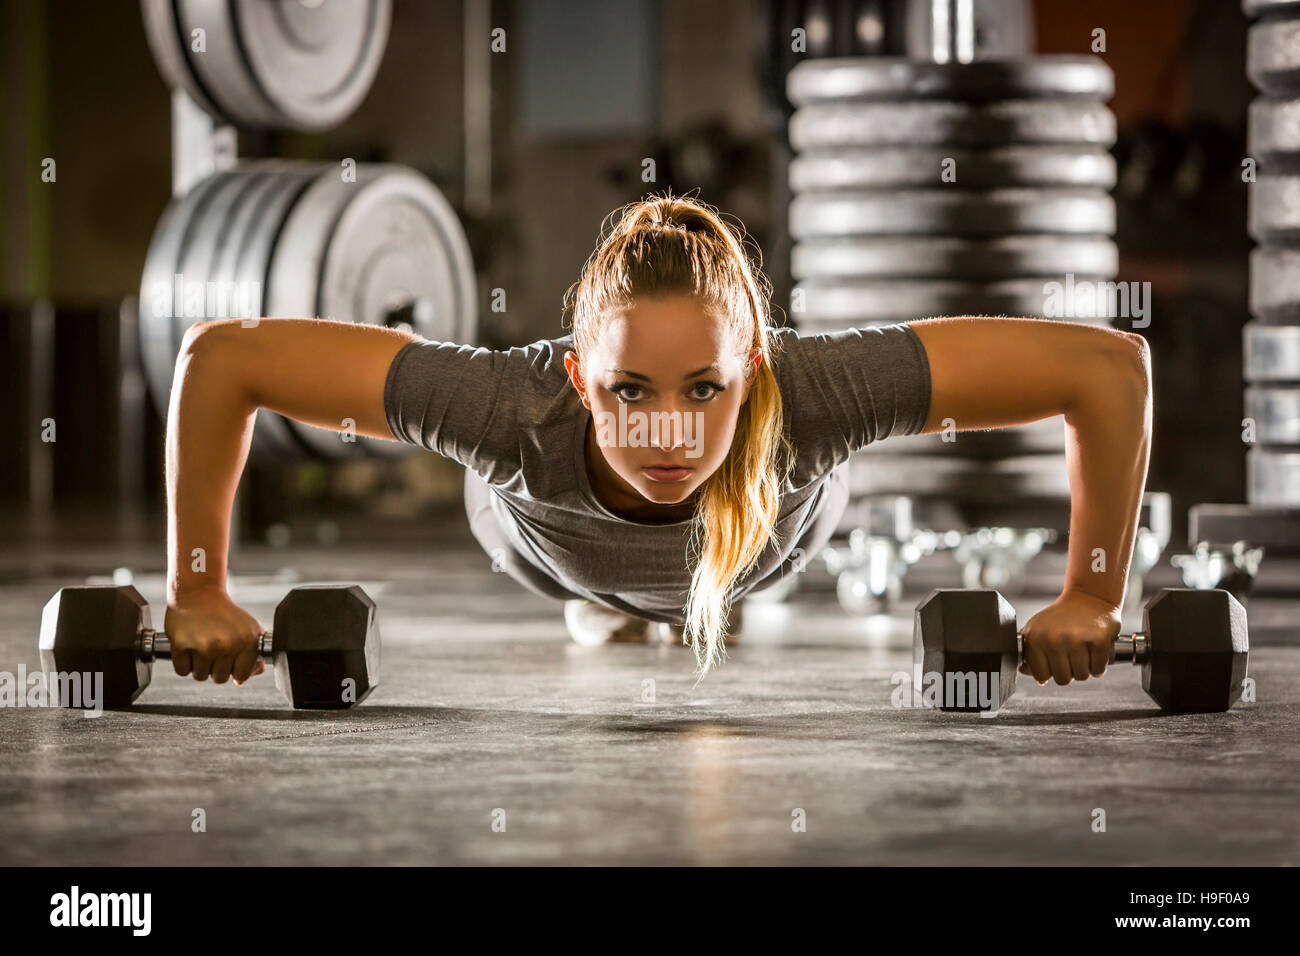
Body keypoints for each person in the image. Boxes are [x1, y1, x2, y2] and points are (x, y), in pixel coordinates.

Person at [161, 192, 1151, 689]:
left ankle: (660, 612)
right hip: (551, 557)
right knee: (608, 606)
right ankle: (610, 610)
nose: (666, 428)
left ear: (754, 368)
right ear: (577, 376)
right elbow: (221, 360)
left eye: (705, 387)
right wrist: (199, 586)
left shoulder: (816, 391)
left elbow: (1105, 371)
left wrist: (1093, 591)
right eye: (627, 388)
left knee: (691, 597)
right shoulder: (507, 408)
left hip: (762, 553)